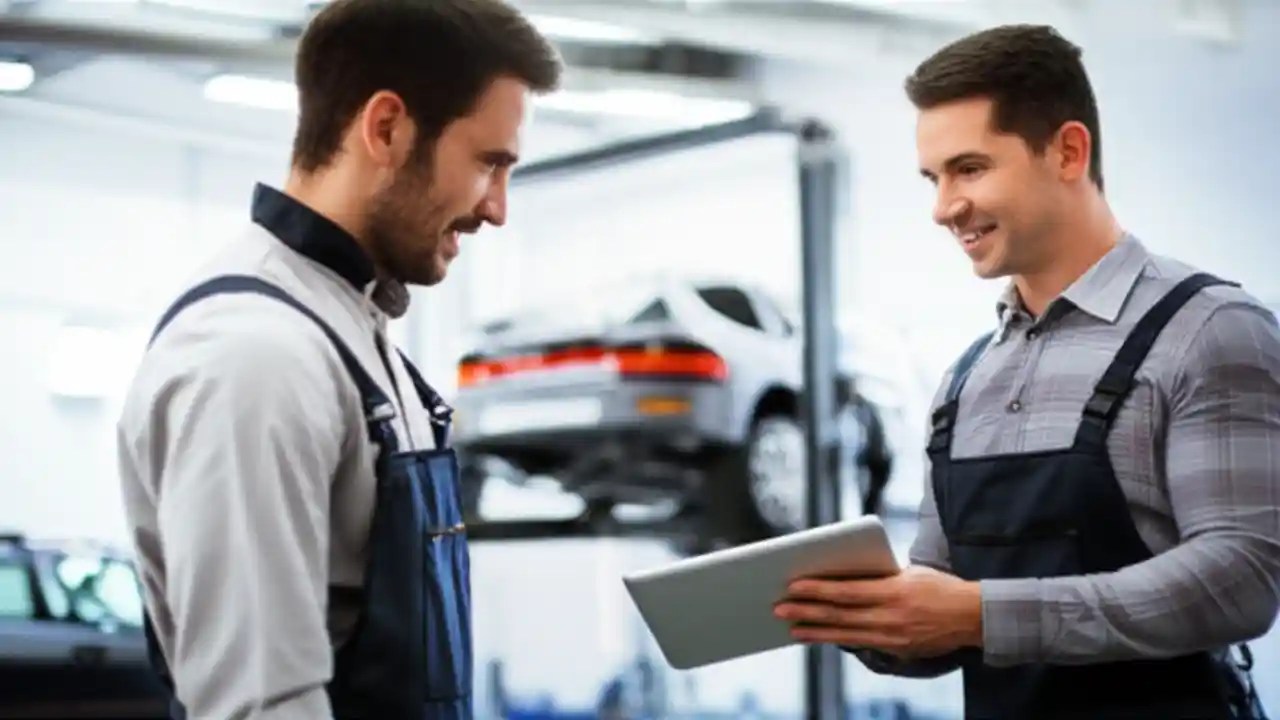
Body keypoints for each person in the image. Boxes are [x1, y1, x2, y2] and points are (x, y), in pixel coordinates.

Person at [773, 24, 1279, 720]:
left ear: (1068, 151)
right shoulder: (965, 380)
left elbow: (1240, 579)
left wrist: (981, 616)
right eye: (934, 177)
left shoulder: (1208, 329)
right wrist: (876, 621)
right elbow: (944, 594)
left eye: (970, 168)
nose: (943, 207)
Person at [115, 2, 560, 718]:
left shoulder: (349, 325)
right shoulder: (256, 358)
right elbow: (260, 705)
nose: (497, 210)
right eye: (489, 164)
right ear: (386, 128)